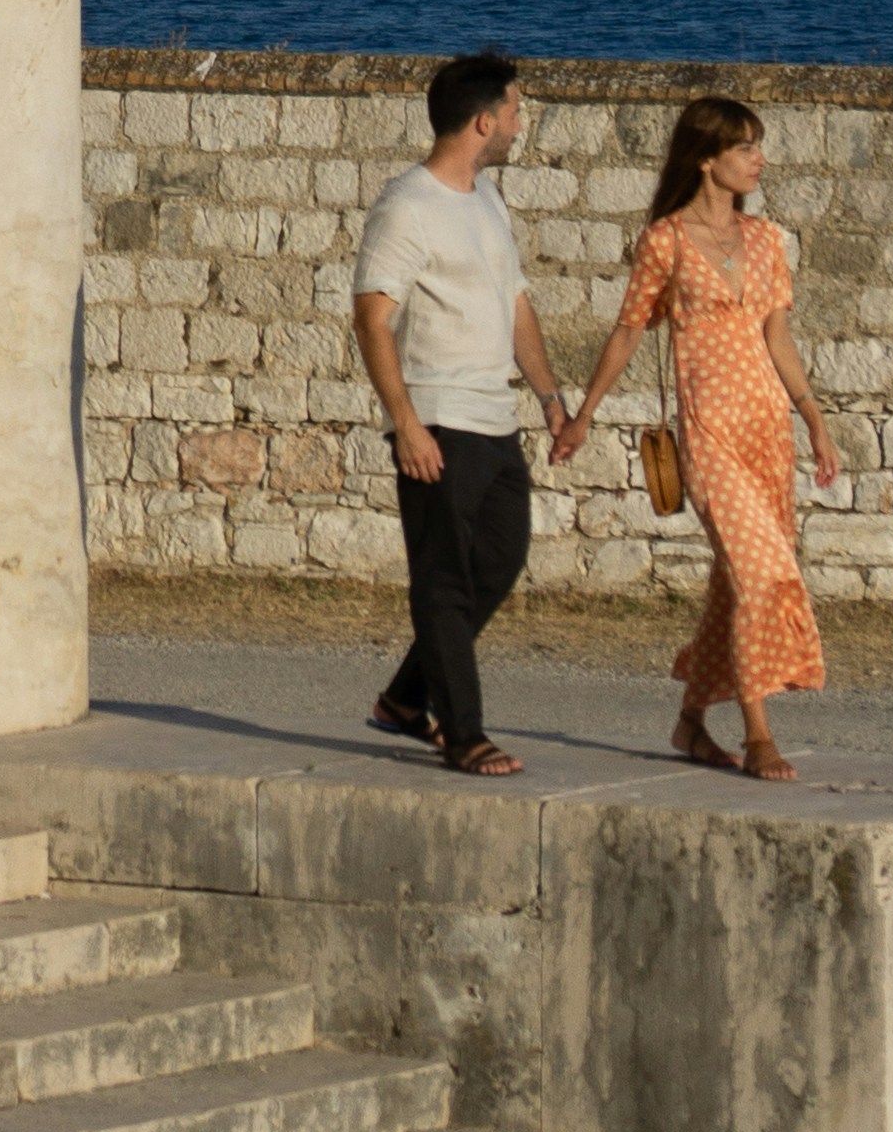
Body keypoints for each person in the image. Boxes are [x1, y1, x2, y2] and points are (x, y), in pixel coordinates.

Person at [556, 89, 838, 780]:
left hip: (767, 430)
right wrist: (584, 413)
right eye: (744, 147)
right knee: (762, 575)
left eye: (757, 145)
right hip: (708, 434)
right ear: (707, 159)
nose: (758, 159)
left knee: (732, 584)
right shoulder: (666, 242)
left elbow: (779, 335)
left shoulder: (766, 239)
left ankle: (690, 724)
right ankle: (760, 734)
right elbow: (628, 329)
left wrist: (815, 420)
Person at [350, 52, 575, 775]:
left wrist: (548, 397)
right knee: (443, 580)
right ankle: (464, 732)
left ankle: (406, 700)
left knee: (500, 561)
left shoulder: (486, 200)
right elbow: (372, 319)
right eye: (513, 111)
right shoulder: (406, 206)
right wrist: (406, 423)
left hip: (495, 417)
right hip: (439, 418)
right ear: (483, 120)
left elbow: (515, 304)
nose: (518, 123)